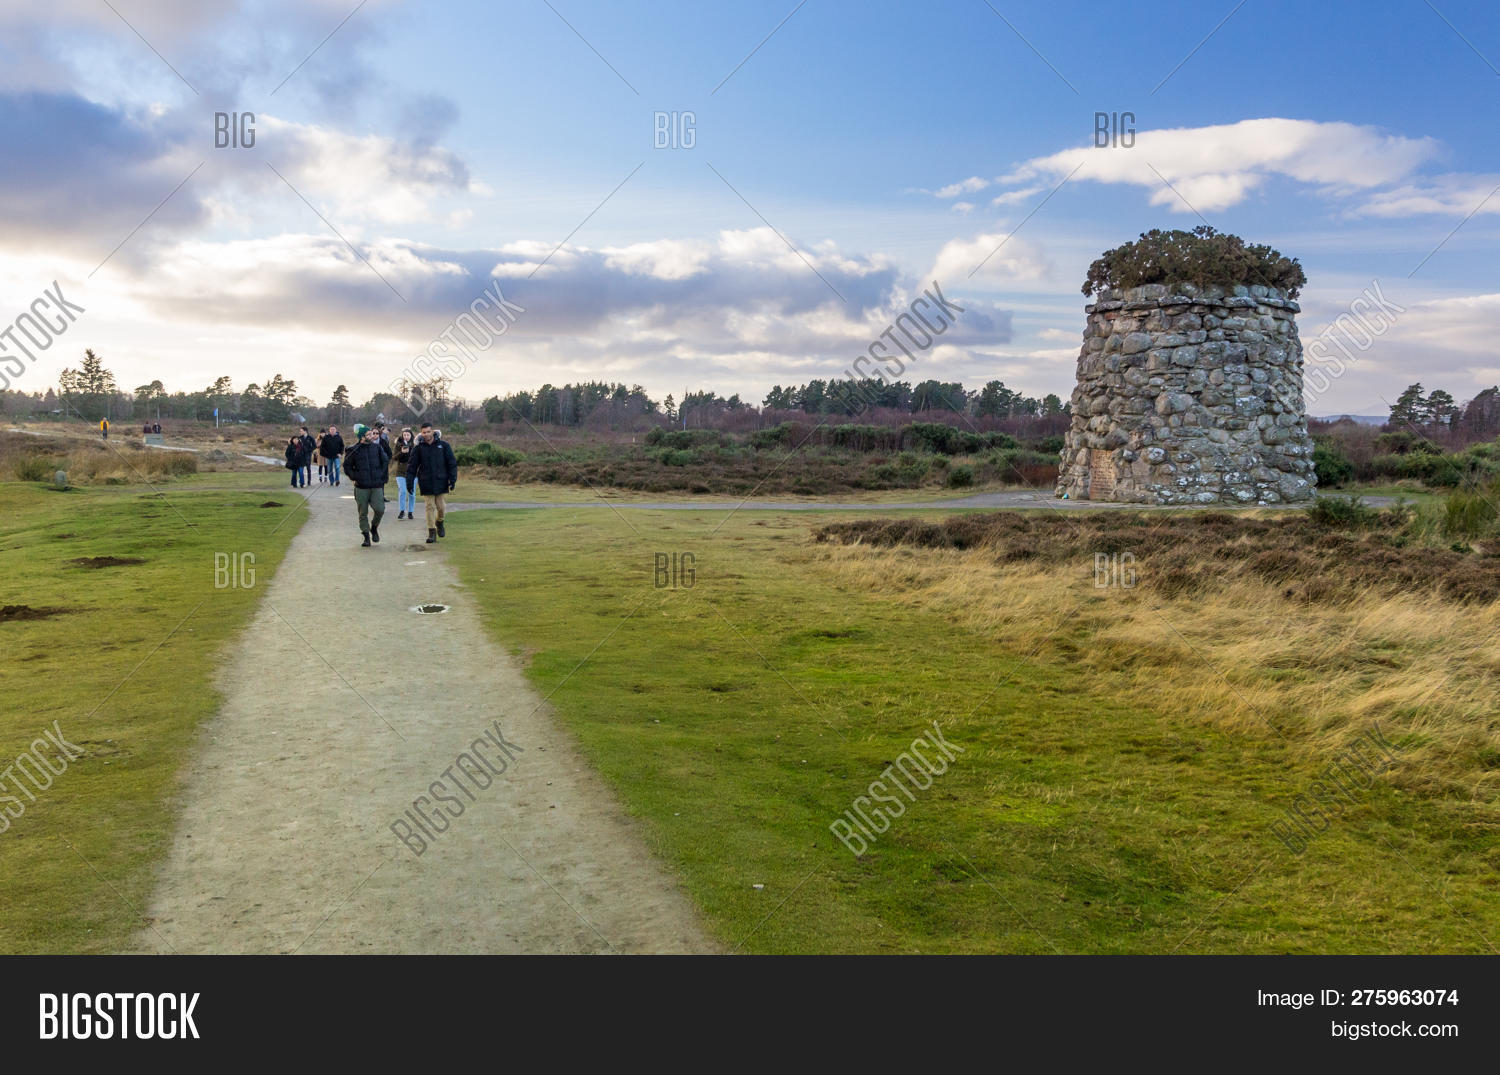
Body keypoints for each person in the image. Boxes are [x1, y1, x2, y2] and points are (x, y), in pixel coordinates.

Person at [343, 423, 391, 547]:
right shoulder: (353, 450)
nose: (372, 436)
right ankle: (366, 536)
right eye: (368, 434)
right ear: (362, 437)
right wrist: (355, 476)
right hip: (361, 487)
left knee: (380, 509)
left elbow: (385, 461)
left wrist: (381, 476)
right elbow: (346, 466)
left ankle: (374, 528)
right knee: (362, 513)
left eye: (372, 434)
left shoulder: (377, 448)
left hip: (376, 485)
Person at [408, 425, 457, 543]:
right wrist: (409, 483)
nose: (426, 434)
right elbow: (412, 467)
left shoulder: (444, 446)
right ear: (421, 434)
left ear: (433, 432)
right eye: (424, 432)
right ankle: (431, 532)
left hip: (441, 480)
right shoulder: (418, 448)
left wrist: (453, 479)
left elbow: (451, 463)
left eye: (428, 432)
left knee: (441, 507)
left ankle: (439, 522)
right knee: (429, 506)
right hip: (426, 481)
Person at [391, 428, 417, 519]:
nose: (406, 437)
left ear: (411, 436)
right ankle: (402, 511)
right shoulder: (398, 444)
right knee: (402, 491)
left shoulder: (415, 445)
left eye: (408, 435)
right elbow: (394, 457)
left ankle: (410, 512)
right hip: (400, 472)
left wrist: (409, 451)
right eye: (404, 435)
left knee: (411, 493)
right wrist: (401, 452)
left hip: (413, 473)